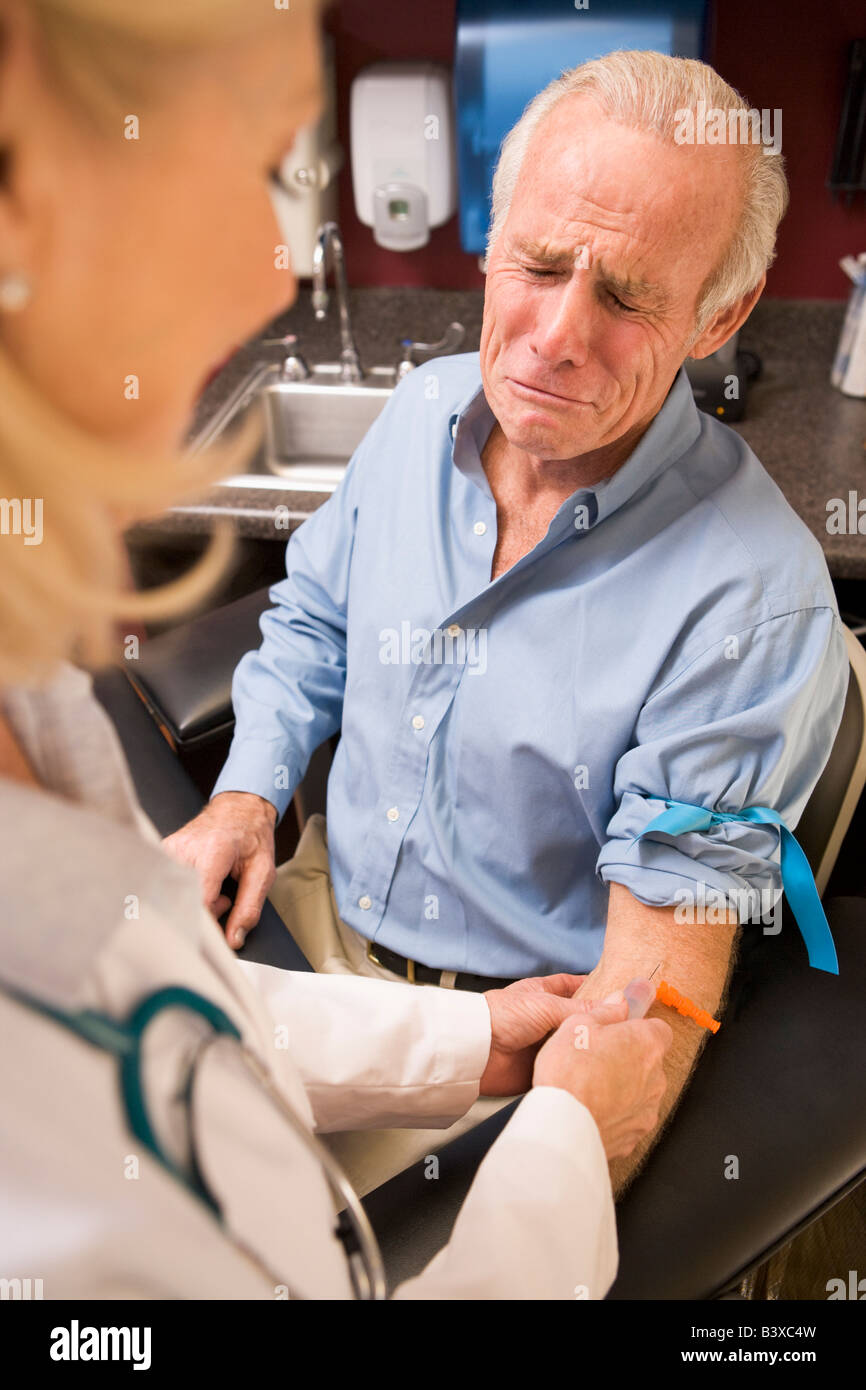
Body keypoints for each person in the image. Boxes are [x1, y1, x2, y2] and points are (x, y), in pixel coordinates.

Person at [0, 0, 672, 1300]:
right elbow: (309, 617)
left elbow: (159, 1007)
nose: (273, 268)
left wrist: (464, 1042)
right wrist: (567, 1155)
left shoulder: (29, 711)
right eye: (262, 165)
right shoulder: (419, 413)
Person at [166, 47, 849, 1193]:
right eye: (535, 263)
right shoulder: (425, 403)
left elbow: (649, 996)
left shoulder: (750, 600)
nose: (552, 337)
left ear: (716, 315)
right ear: (490, 238)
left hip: (514, 1045)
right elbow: (317, 624)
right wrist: (247, 791)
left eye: (626, 295)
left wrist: (531, 1207)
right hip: (296, 929)